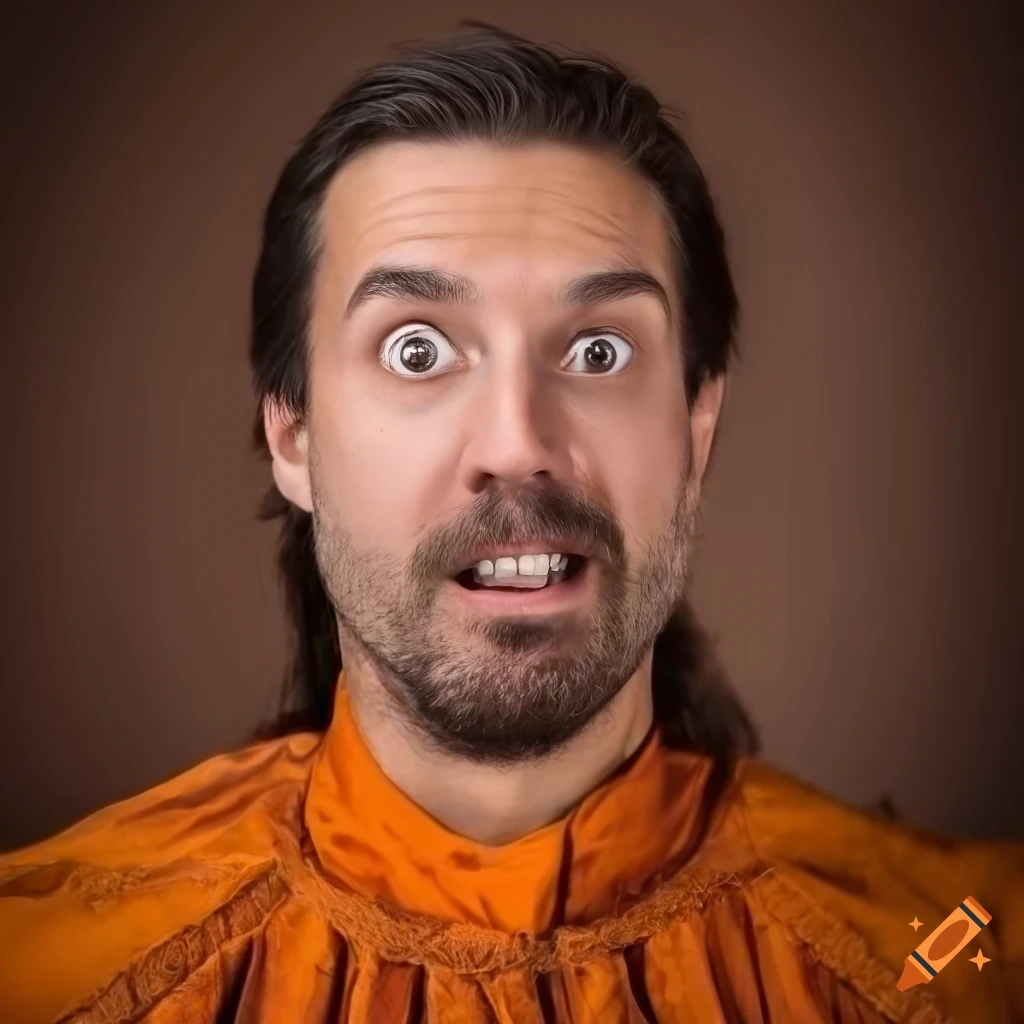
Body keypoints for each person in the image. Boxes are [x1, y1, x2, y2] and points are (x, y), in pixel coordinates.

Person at [0, 22, 1020, 1024]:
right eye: (415, 349)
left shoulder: (965, 963)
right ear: (293, 435)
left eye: (598, 353)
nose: (517, 441)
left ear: (695, 428)